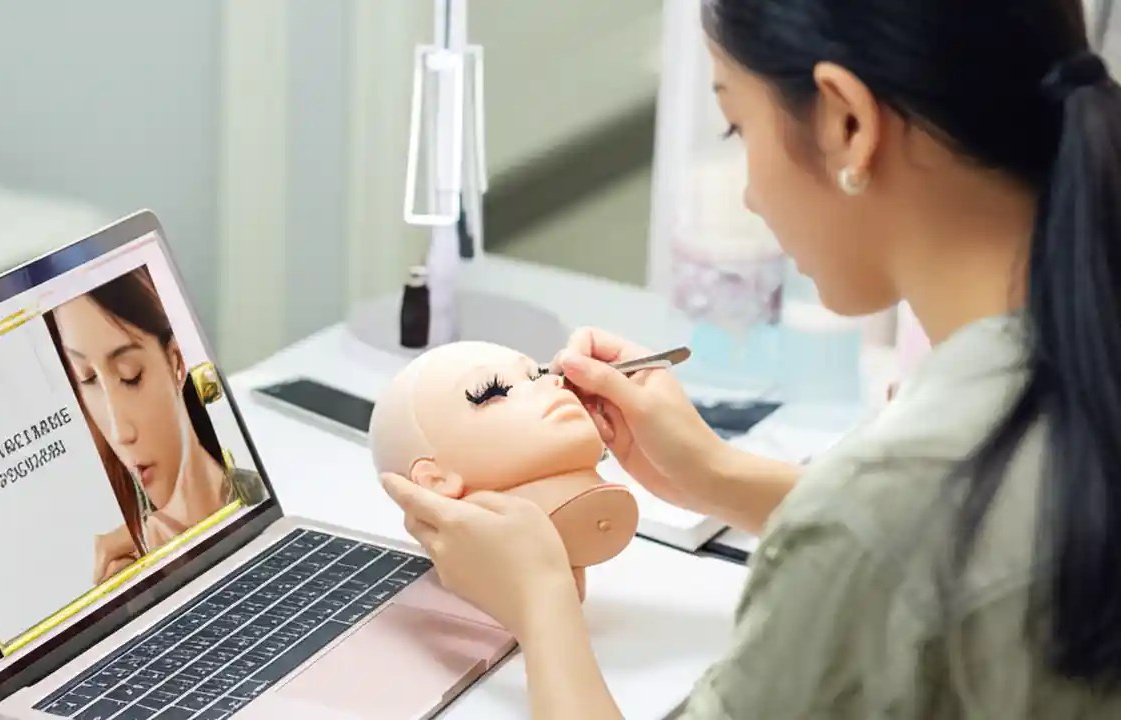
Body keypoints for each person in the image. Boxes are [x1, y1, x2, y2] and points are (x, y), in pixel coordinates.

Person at [379, 0, 1121, 717]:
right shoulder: (1067, 373)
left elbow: (895, 532)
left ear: (848, 123)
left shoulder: (882, 510)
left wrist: (541, 608)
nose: (751, 197)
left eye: (738, 126)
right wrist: (717, 476)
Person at [44, 267, 266, 584]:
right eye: (88, 378)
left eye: (130, 375)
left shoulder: (255, 495)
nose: (120, 433)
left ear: (176, 362)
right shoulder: (130, 558)